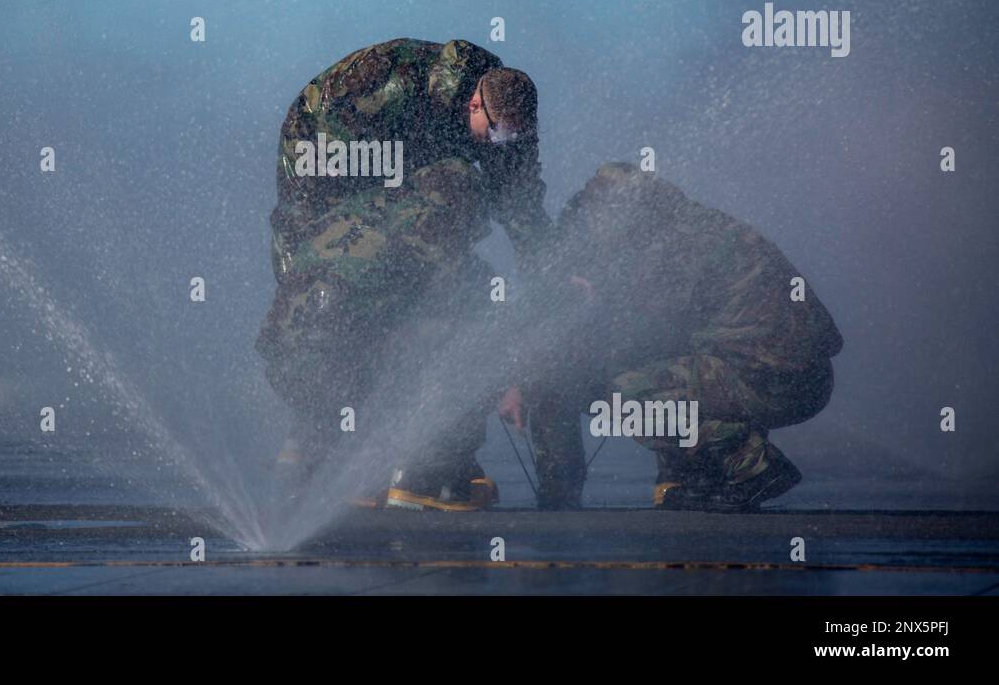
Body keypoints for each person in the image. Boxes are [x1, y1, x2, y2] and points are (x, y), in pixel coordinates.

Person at [256, 37, 550, 510]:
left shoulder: (503, 115)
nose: (498, 147)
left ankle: (380, 451)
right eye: (493, 133)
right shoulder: (392, 86)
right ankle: (327, 441)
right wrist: (302, 282)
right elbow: (308, 205)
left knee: (432, 289)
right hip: (323, 146)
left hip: (398, 192)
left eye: (510, 139)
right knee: (347, 290)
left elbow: (520, 202)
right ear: (474, 102)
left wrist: (550, 270)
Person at [500, 162, 842, 512]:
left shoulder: (673, 246)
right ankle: (706, 477)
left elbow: (636, 337)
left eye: (597, 220)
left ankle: (753, 467)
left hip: (776, 382)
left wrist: (540, 370)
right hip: (786, 374)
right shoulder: (690, 226)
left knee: (623, 391)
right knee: (656, 374)